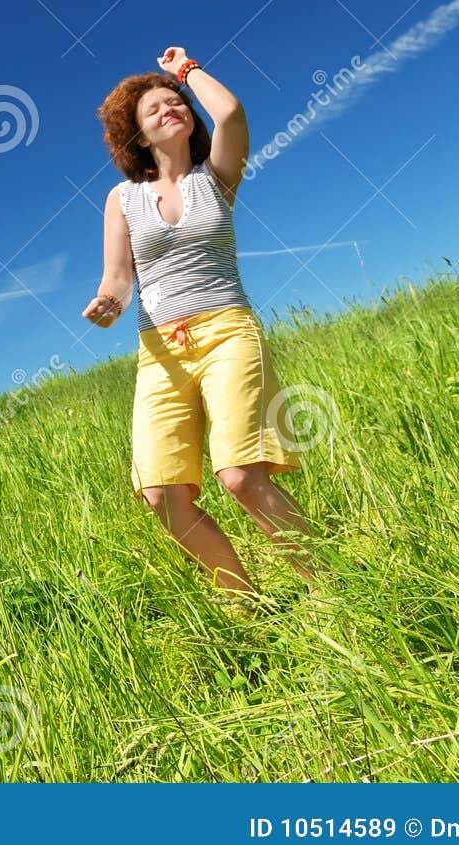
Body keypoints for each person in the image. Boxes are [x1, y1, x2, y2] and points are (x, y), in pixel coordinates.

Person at [83, 46, 315, 599]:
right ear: (137, 138)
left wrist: (184, 71)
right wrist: (107, 306)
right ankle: (244, 603)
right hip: (159, 351)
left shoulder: (217, 177)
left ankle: (331, 588)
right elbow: (117, 279)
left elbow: (230, 113)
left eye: (177, 103)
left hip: (226, 333)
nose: (171, 109)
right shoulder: (123, 198)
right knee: (163, 494)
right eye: (155, 109)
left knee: (239, 475)